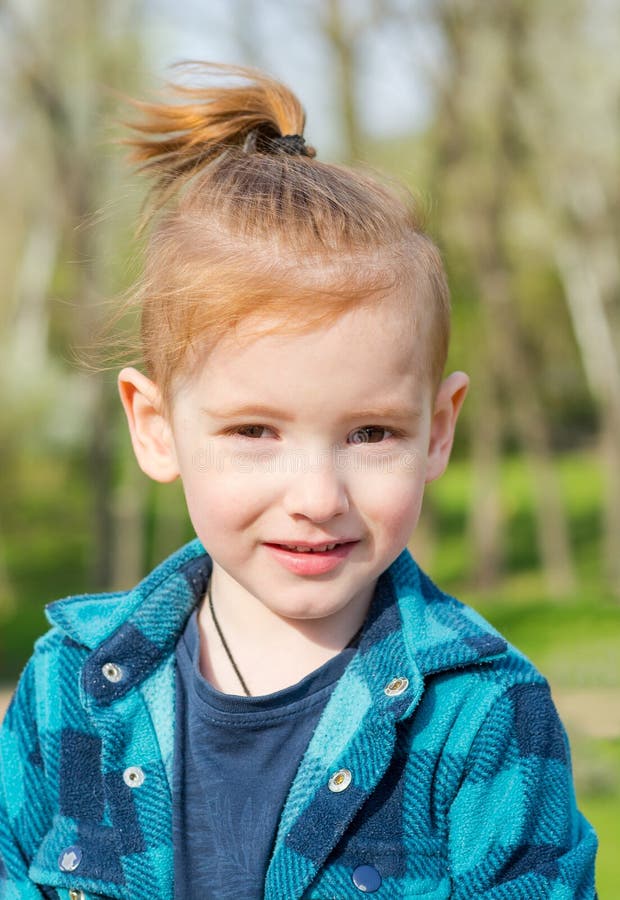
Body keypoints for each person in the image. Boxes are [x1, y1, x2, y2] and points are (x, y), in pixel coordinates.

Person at [0, 63, 597, 900]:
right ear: (155, 427)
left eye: (370, 433)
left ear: (439, 429)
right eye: (254, 431)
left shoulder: (486, 717)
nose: (318, 495)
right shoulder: (67, 691)